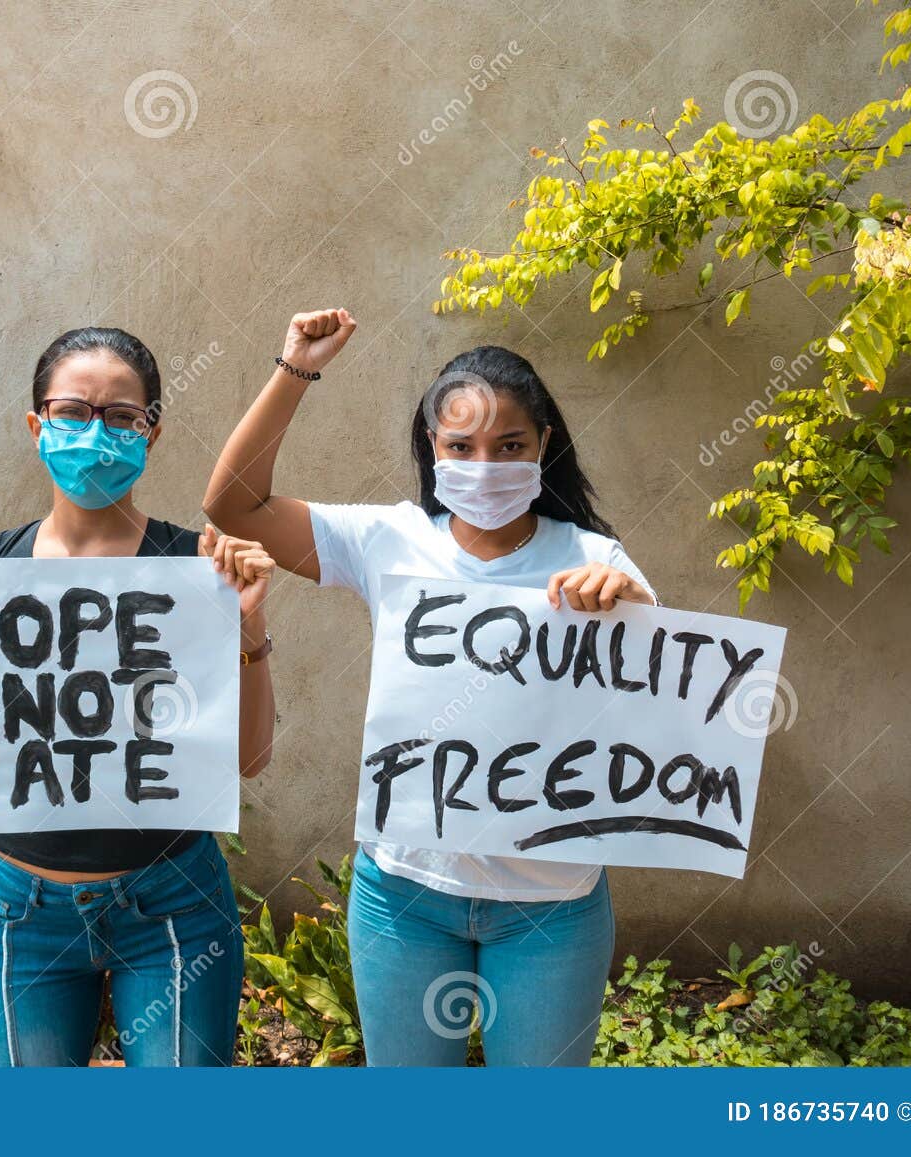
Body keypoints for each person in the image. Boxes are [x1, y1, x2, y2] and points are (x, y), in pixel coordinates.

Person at [202, 309, 657, 1066]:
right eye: (461, 446)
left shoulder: (596, 557)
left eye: (509, 445)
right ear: (433, 451)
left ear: (544, 444)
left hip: (553, 908)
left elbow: (666, 699)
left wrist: (629, 606)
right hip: (403, 897)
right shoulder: (387, 539)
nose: (484, 465)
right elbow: (233, 505)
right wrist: (295, 368)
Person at [0, 326, 276, 1067]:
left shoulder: (195, 567)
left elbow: (252, 758)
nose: (95, 433)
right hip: (21, 912)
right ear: (37, 427)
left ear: (150, 432)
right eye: (72, 412)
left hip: (171, 908)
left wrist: (250, 628)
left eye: (122, 416)